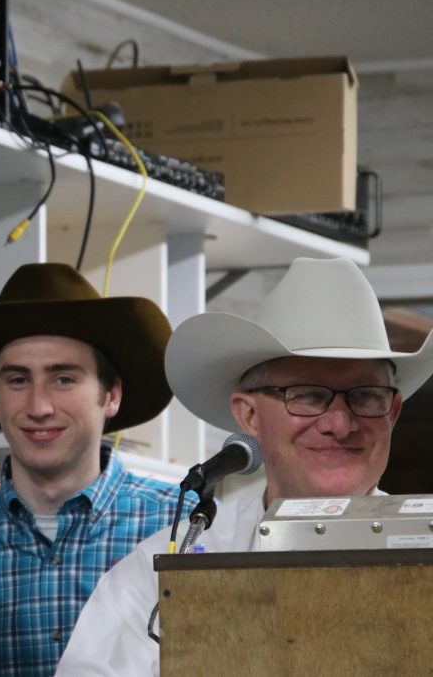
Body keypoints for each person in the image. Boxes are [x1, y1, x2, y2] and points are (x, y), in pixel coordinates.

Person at [55, 256, 433, 677]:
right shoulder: (160, 573)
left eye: (365, 396)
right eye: (306, 396)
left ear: (393, 411)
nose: (339, 424)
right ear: (249, 416)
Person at [0, 263, 192, 676]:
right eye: (17, 380)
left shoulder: (182, 526)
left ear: (111, 395)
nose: (38, 406)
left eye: (64, 379)